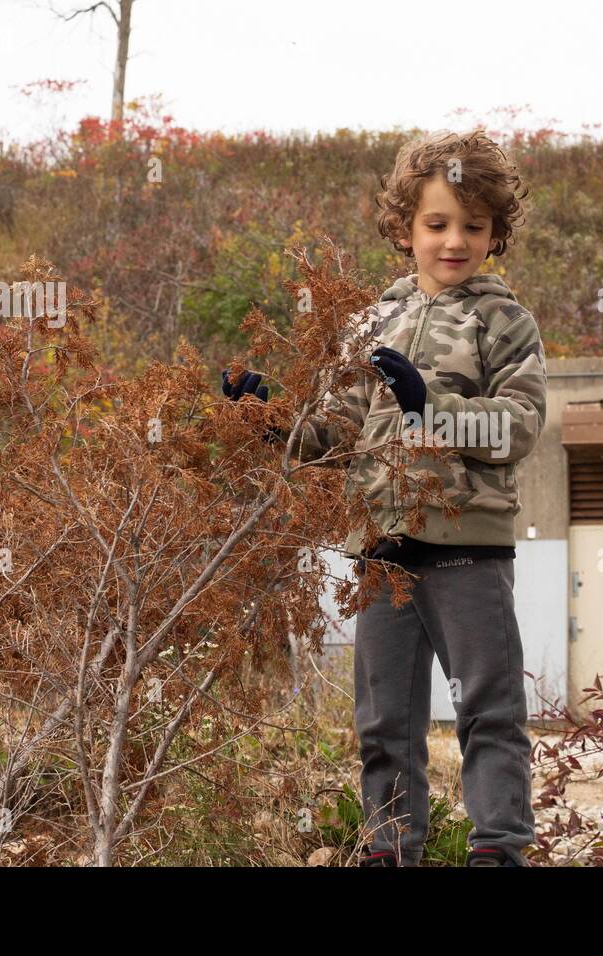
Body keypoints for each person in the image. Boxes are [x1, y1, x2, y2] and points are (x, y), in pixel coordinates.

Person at [224, 129, 546, 867]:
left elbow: (519, 428)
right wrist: (272, 420)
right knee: (383, 721)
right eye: (436, 224)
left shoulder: (506, 323)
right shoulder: (370, 323)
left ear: (496, 233)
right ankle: (388, 850)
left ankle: (499, 850)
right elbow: (339, 432)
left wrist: (426, 407)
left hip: (468, 548)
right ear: (404, 229)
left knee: (487, 711)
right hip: (381, 554)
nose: (454, 240)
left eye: (473, 225)